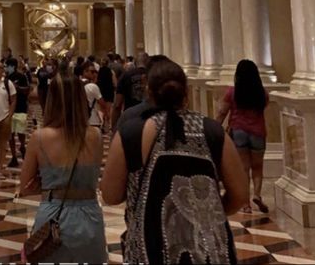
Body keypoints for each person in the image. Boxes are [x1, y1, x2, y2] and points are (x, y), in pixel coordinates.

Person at [101, 59, 248, 265]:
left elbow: (110, 194)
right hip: (207, 250)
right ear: (185, 92)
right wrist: (205, 213)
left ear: (149, 91)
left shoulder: (131, 132)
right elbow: (240, 194)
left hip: (148, 247)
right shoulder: (212, 130)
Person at [19, 73, 107, 264]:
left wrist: (48, 183)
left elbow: (24, 187)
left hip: (53, 217)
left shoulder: (39, 138)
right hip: (89, 216)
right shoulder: (96, 136)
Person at [217, 59, 270, 213]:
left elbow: (222, 112)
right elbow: (263, 108)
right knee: (258, 167)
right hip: (258, 132)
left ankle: (246, 204)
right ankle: (258, 195)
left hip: (239, 131)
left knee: (244, 168)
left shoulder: (232, 92)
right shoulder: (262, 93)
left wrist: (215, 127)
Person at [9, 56, 30, 167]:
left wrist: (17, 88)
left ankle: (22, 145)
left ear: (13, 66)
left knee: (20, 132)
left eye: (8, 66)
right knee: (10, 134)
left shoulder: (21, 77)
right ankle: (13, 157)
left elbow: (27, 90)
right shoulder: (6, 78)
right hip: (9, 110)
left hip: (21, 107)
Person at [82, 60, 106, 129]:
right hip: (92, 119)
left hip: (80, 120)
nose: (94, 74)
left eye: (95, 72)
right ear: (85, 71)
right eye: (92, 72)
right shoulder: (93, 86)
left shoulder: (76, 84)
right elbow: (102, 103)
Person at [96, 56, 115, 130]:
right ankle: (109, 125)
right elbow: (114, 82)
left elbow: (97, 80)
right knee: (108, 109)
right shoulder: (111, 71)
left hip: (101, 91)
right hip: (109, 91)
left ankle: (103, 124)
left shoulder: (99, 71)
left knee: (102, 109)